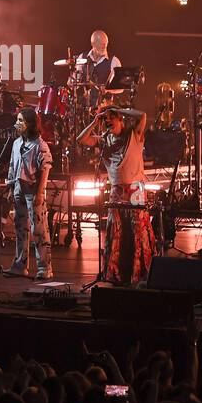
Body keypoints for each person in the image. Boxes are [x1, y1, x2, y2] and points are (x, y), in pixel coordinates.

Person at [80, 105, 155, 286]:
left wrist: (119, 110)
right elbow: (82, 139)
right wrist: (94, 121)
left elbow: (142, 114)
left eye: (110, 118)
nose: (107, 122)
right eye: (105, 120)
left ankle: (141, 273)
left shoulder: (134, 134)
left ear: (119, 119)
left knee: (138, 230)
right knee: (117, 231)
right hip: (116, 189)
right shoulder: (104, 139)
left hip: (135, 188)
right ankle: (118, 272)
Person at [6, 106, 52, 280]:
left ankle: (44, 267)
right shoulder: (17, 143)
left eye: (20, 121)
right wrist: (11, 187)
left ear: (29, 124)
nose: (17, 124)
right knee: (20, 228)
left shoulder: (40, 145)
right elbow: (12, 165)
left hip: (33, 190)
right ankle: (20, 265)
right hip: (19, 187)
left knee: (39, 229)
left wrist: (40, 193)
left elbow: (45, 169)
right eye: (17, 120)